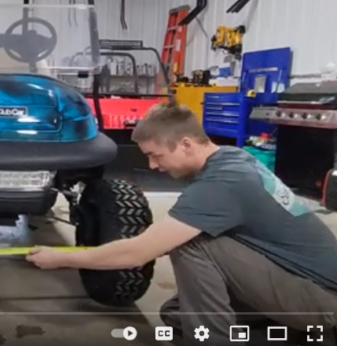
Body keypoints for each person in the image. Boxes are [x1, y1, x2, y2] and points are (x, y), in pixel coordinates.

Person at [26, 103, 337, 345]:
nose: (152, 165)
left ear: (186, 144)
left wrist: (61, 258)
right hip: (306, 283)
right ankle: (290, 335)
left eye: (155, 155)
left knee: (189, 242)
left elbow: (136, 253)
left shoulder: (222, 183)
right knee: (177, 316)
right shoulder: (231, 156)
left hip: (322, 301)